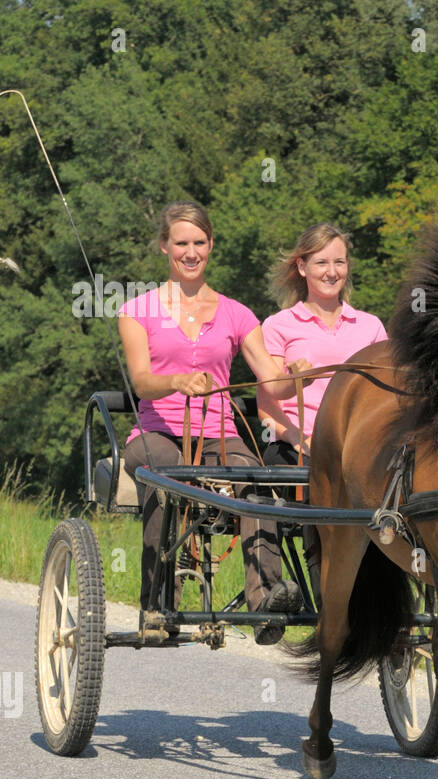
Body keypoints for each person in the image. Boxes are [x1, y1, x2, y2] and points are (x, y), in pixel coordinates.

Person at [119, 200, 301, 644]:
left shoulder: (237, 315)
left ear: (211, 245)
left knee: (257, 485)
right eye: (181, 242)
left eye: (199, 242)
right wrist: (178, 379)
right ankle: (158, 604)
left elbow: (272, 383)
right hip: (156, 431)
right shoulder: (136, 312)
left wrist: (294, 374)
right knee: (167, 479)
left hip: (219, 432)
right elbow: (142, 382)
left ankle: (265, 604)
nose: (191, 251)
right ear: (165, 246)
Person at [258, 224, 388, 605]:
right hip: (299, 446)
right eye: (321, 263)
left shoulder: (371, 326)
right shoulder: (279, 326)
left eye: (339, 262)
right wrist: (300, 439)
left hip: (363, 449)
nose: (331, 272)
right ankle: (305, 595)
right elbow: (268, 407)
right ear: (302, 267)